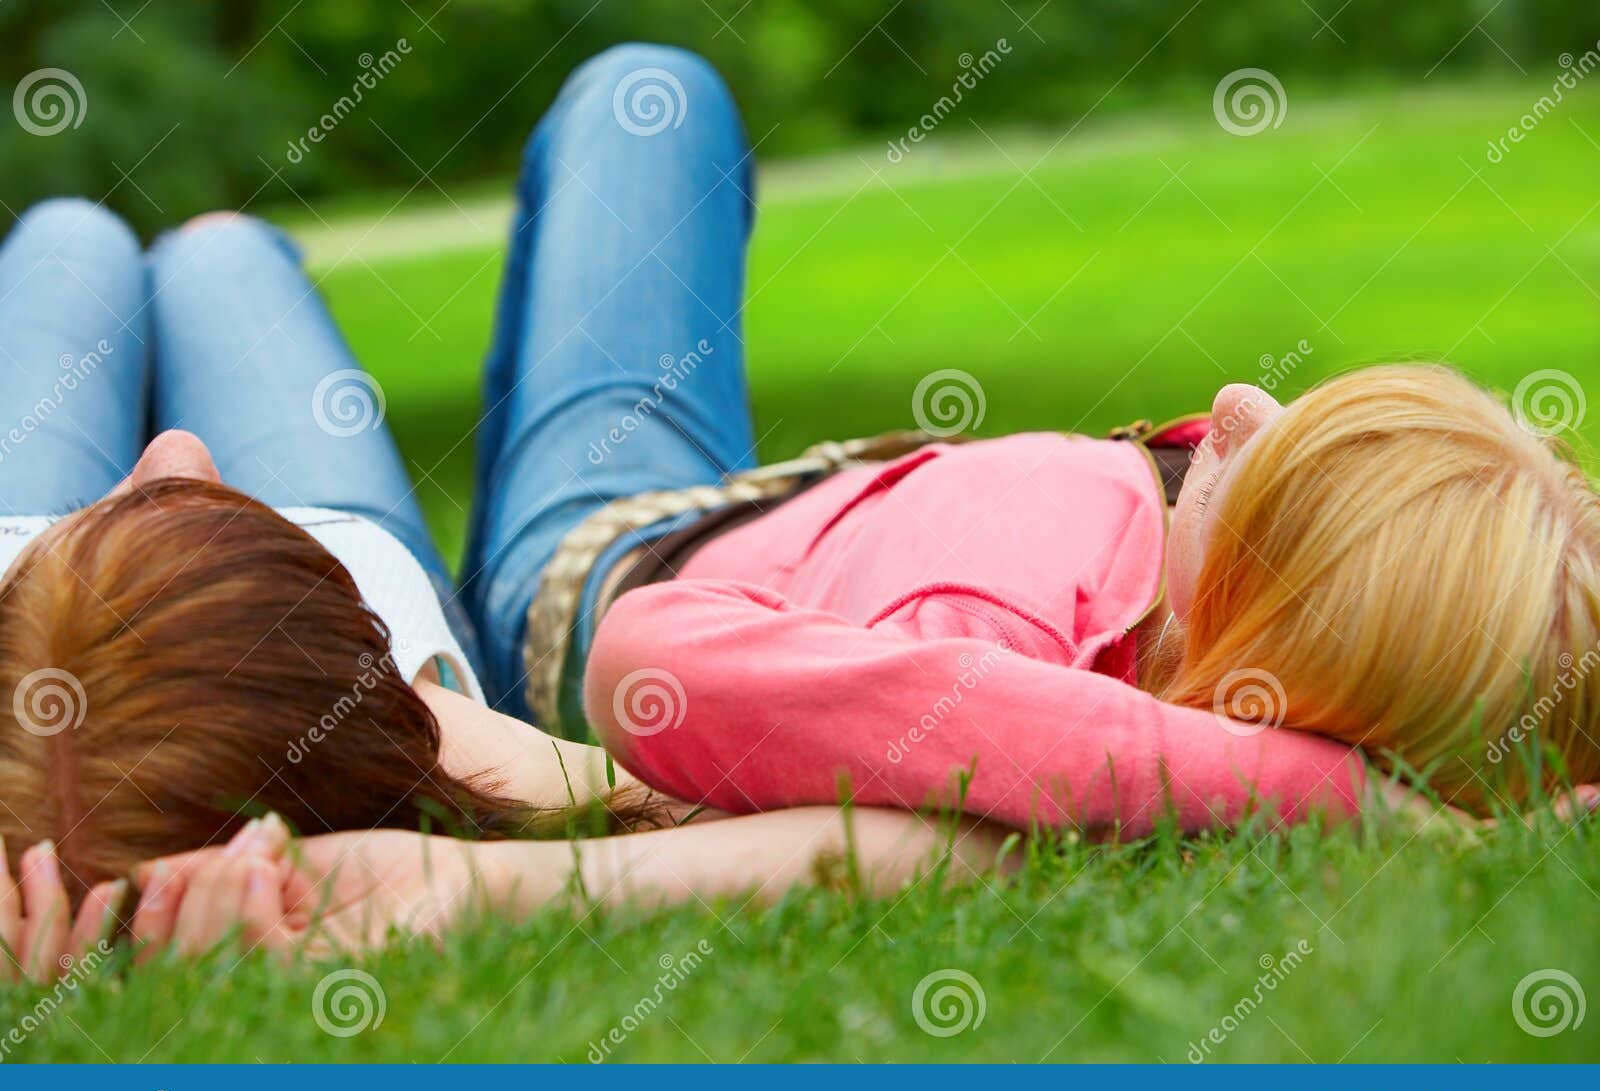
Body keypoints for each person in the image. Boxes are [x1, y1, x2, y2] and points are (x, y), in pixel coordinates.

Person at [2, 45, 1596, 978]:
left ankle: (184, 247)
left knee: (137, 237)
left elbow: (660, 664)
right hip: (693, 518)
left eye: (1261, 467)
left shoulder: (1001, 641)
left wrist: (1302, 786)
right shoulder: (1154, 671)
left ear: (1244, 658)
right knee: (636, 101)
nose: (1230, 405)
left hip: (604, 547)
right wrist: (1354, 784)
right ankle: (197, 251)